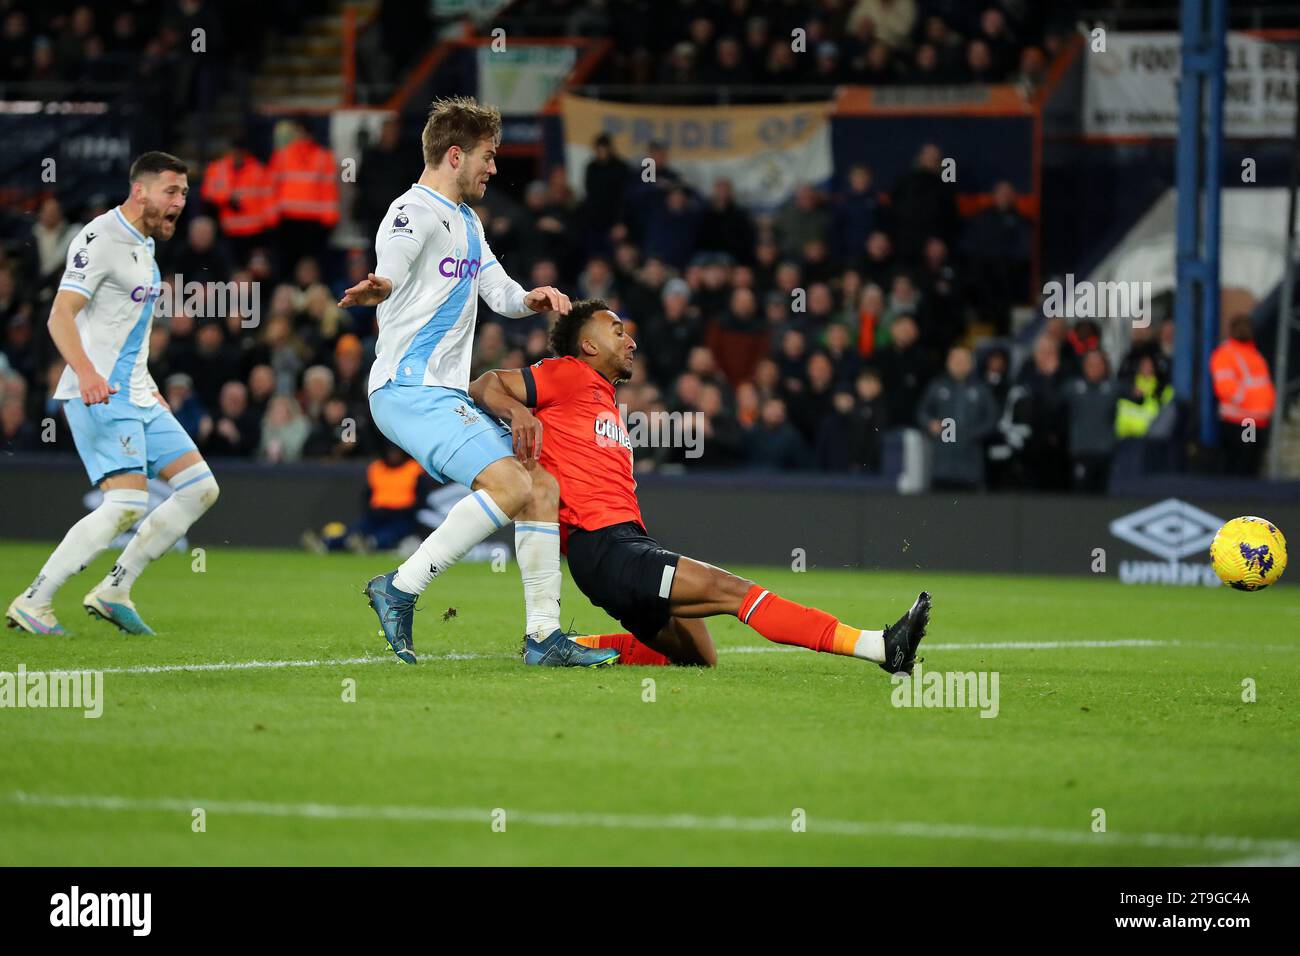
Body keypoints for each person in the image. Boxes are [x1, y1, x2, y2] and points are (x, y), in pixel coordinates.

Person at [469, 299, 930, 672]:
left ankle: (569, 645)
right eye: (617, 331)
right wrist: (519, 412)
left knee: (698, 657)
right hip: (606, 549)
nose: (630, 341)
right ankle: (880, 647)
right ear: (587, 345)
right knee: (733, 591)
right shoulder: (567, 374)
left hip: (623, 549)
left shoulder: (604, 403)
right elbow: (485, 383)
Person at [337, 96, 616, 668]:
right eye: (488, 157)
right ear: (455, 154)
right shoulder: (411, 212)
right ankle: (400, 587)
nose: (494, 168)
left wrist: (531, 299)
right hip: (407, 388)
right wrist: (380, 287)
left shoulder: (466, 220)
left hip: (439, 392)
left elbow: (499, 292)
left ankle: (543, 638)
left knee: (539, 486)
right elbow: (390, 265)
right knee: (513, 486)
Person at [6, 152, 220, 637]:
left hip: (137, 393)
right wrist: (84, 374)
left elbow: (124, 330)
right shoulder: (100, 238)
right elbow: (60, 315)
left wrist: (151, 388)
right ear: (140, 190)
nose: (180, 202)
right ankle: (34, 601)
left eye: (184, 193)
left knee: (201, 488)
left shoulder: (144, 244)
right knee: (124, 504)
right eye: (171, 191)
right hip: (98, 392)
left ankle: (114, 589)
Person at [1210, 313, 1276, 476]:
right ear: (1232, 330)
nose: (1244, 330)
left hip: (1255, 421)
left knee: (1251, 465)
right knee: (1240, 465)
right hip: (1241, 420)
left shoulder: (1254, 355)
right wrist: (1251, 402)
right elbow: (1226, 388)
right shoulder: (1226, 354)